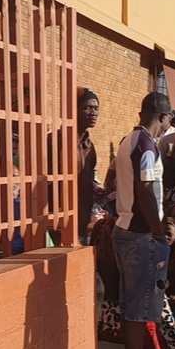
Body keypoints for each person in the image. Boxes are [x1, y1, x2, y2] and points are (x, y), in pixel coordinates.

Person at [112, 92, 174, 349]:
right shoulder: (146, 145)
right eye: (168, 119)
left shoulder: (128, 140)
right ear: (162, 115)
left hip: (126, 229)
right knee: (139, 307)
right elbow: (146, 191)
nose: (167, 126)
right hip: (141, 234)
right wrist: (159, 231)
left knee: (130, 306)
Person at [77, 88, 100, 243]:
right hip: (58, 219)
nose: (93, 113)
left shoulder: (89, 146)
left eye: (96, 108)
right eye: (87, 108)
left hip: (83, 217)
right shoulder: (57, 142)